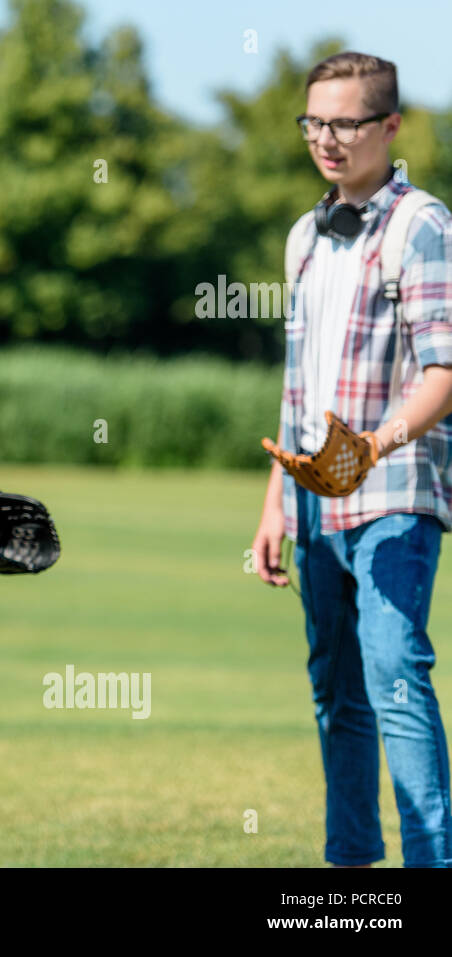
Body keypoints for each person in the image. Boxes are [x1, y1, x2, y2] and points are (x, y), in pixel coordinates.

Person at [253, 52, 452, 867]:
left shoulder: (423, 224)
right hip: (312, 504)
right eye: (314, 123)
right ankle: (352, 877)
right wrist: (274, 500)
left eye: (345, 124)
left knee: (393, 672)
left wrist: (374, 445)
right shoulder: (303, 236)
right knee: (337, 693)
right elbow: (298, 391)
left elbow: (444, 369)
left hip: (398, 492)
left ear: (390, 127)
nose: (326, 140)